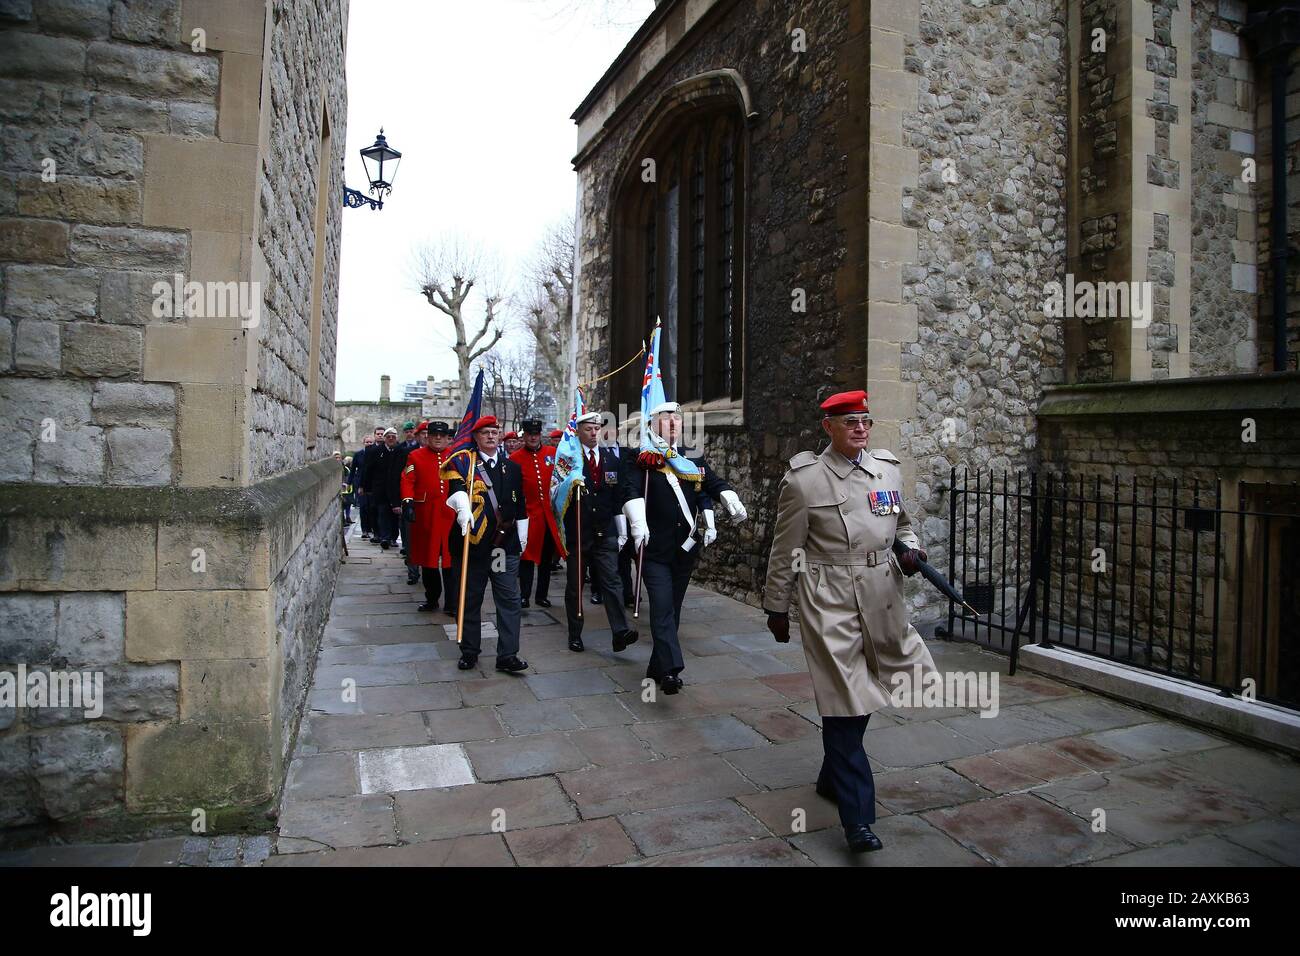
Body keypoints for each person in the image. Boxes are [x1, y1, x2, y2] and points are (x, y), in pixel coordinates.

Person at [763, 389, 937, 854]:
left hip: (883, 598)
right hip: (830, 601)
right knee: (845, 702)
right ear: (829, 428)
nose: (860, 428)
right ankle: (858, 820)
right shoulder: (805, 480)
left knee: (864, 696)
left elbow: (902, 524)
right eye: (850, 422)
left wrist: (911, 547)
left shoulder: (887, 468)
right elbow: (786, 551)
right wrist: (777, 605)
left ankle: (830, 776)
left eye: (865, 420)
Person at [621, 401, 746, 693]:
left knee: (672, 610)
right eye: (667, 419)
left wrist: (729, 498)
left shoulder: (691, 456)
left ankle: (657, 667)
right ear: (653, 423)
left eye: (678, 418)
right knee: (662, 606)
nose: (674, 423)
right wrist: (638, 523)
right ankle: (671, 668)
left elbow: (712, 482)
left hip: (685, 548)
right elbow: (628, 489)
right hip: (653, 549)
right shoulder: (637, 456)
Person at [444, 416, 528, 674]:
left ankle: (508, 654)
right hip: (473, 544)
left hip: (503, 546)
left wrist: (522, 538)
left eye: (495, 432)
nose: (491, 436)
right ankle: (469, 651)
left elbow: (520, 506)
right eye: (485, 433)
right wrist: (461, 507)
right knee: (470, 599)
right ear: (476, 436)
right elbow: (454, 490)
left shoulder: (511, 468)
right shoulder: (464, 464)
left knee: (509, 600)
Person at [560, 410, 638, 654]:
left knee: (612, 581)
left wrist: (622, 527)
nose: (594, 433)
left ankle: (620, 632)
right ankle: (575, 634)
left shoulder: (610, 459)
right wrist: (570, 485)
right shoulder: (569, 460)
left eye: (597, 428)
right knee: (575, 585)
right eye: (588, 429)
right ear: (579, 431)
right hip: (579, 532)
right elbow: (556, 493)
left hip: (605, 530)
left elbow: (617, 496)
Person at [401, 421, 458, 617]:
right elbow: (408, 479)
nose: (438, 438)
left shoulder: (455, 455)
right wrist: (408, 502)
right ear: (428, 436)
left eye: (442, 435)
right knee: (428, 560)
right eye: (435, 435)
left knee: (451, 562)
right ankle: (432, 598)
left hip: (451, 515)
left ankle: (452, 603)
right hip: (427, 515)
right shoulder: (415, 456)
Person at [510, 419, 564, 608]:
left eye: (536, 433)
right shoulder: (515, 458)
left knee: (546, 558)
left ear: (540, 435)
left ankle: (541, 595)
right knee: (526, 557)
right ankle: (524, 595)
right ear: (524, 435)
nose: (533, 437)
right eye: (529, 434)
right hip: (529, 515)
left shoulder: (552, 453)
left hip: (549, 515)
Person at [389, 423, 423, 583]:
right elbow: (396, 477)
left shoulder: (444, 455)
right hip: (411, 504)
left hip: (431, 507)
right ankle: (413, 571)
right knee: (410, 539)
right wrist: (397, 502)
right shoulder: (405, 452)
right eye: (423, 434)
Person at [369, 427, 403, 549]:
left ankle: (393, 538)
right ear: (385, 438)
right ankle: (385, 537)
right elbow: (370, 470)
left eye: (393, 437)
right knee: (383, 513)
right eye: (388, 437)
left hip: (396, 489)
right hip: (381, 489)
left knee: (395, 515)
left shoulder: (401, 451)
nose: (390, 439)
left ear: (396, 438)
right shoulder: (377, 451)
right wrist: (367, 486)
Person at [351, 432, 381, 539]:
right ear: (363, 443)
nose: (368, 444)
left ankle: (372, 528)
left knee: (372, 507)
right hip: (360, 483)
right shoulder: (358, 454)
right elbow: (353, 469)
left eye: (370, 442)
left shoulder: (375, 453)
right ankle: (364, 530)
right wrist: (349, 482)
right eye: (367, 442)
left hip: (372, 484)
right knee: (363, 507)